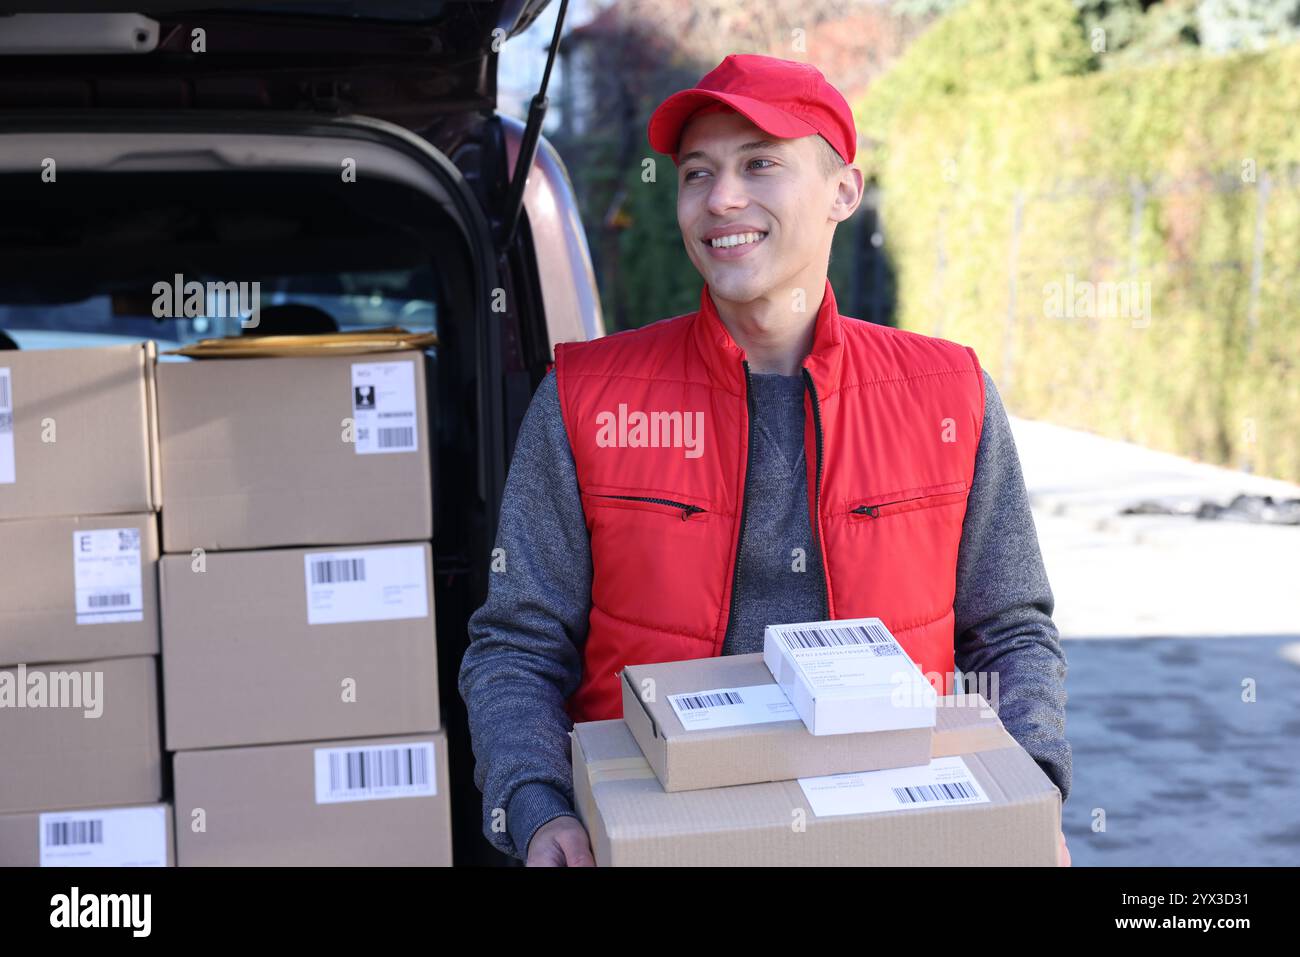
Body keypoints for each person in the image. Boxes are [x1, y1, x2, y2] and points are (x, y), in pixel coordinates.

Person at [459, 53, 1072, 867]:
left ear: (843, 193)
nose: (721, 199)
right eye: (697, 173)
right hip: (657, 844)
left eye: (760, 164)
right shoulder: (586, 399)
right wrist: (536, 808)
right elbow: (516, 645)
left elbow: (1011, 632)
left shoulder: (949, 394)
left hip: (894, 843)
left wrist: (1028, 792)